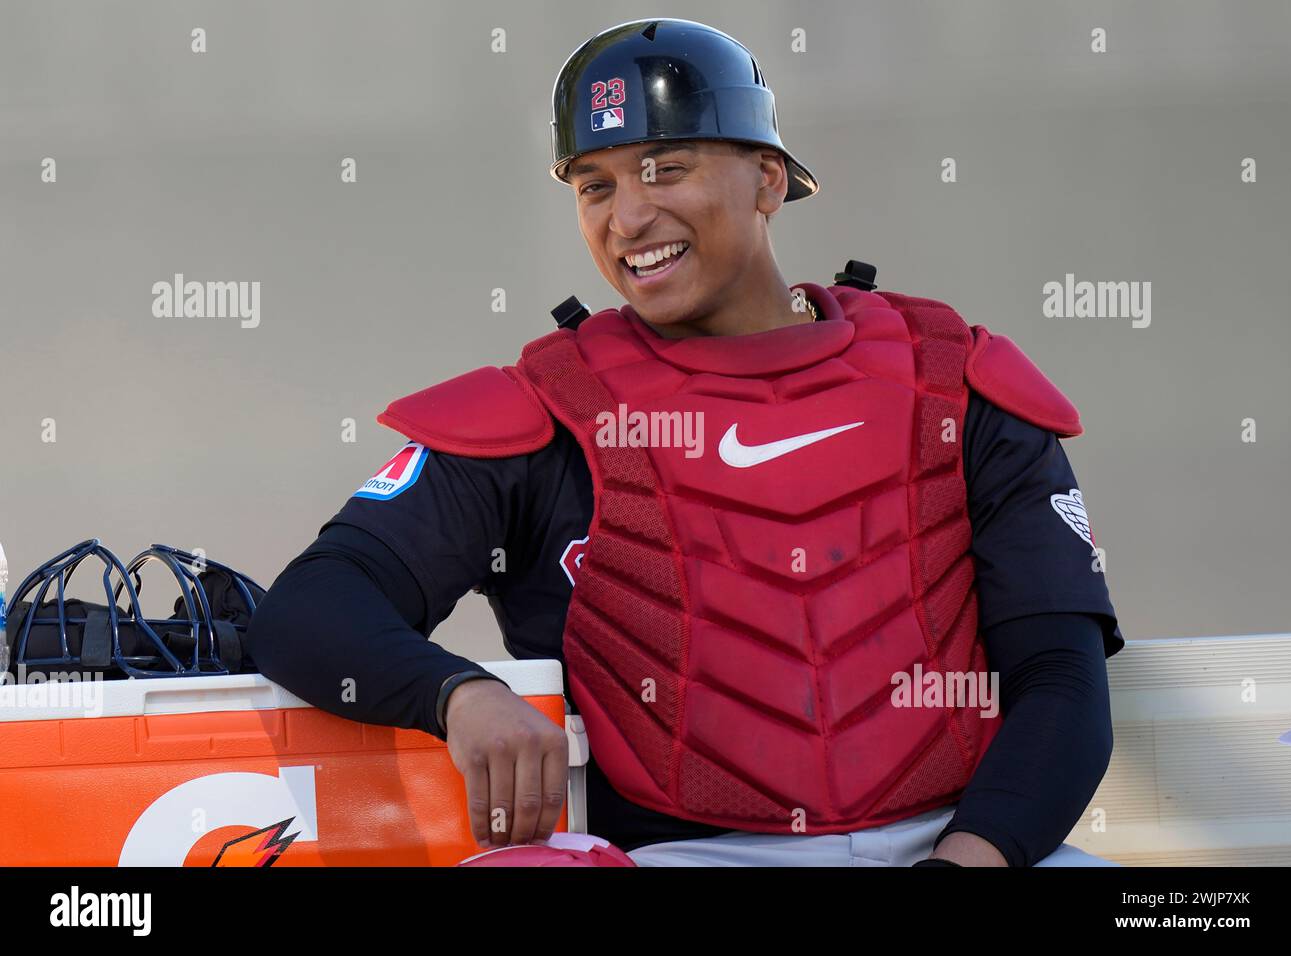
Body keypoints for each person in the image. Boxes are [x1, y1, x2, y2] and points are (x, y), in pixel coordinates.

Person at [246, 18, 1124, 867]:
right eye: (595, 186)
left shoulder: (951, 383)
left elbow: (1060, 679)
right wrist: (459, 693)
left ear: (769, 181)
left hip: (962, 848)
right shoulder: (544, 413)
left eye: (664, 169)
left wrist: (968, 861)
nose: (628, 217)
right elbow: (313, 605)